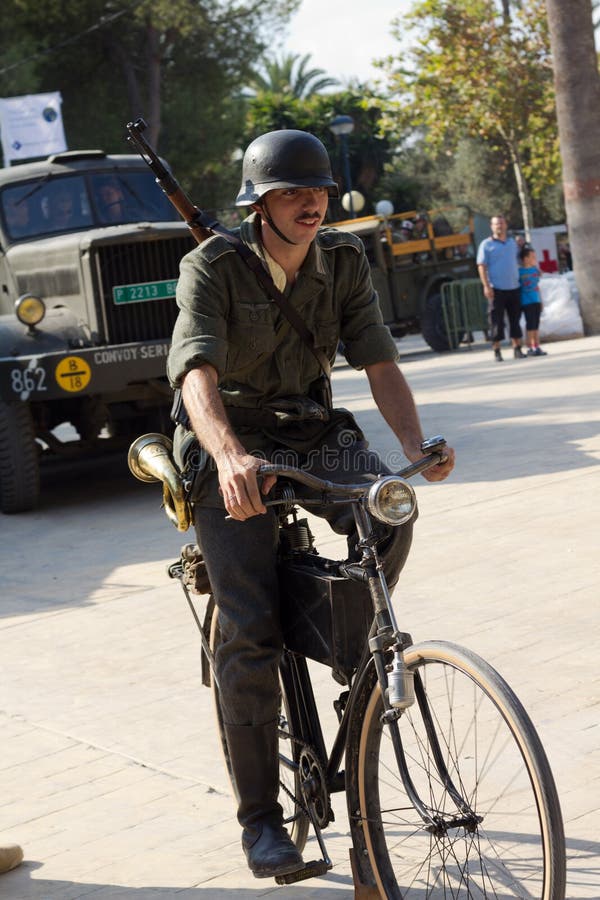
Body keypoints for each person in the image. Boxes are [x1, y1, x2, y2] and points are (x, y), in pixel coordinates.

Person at [166, 129, 455, 881]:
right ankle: (261, 821)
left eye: (319, 191)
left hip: (313, 432)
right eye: (293, 192)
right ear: (259, 203)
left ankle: (354, 663)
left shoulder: (344, 261)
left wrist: (416, 447)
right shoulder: (212, 267)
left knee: (392, 511)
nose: (310, 203)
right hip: (231, 445)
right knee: (251, 631)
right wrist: (228, 456)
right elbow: (195, 372)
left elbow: (378, 358)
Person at [477, 214, 527, 362]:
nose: (499, 226)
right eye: (496, 224)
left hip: (514, 286)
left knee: (515, 319)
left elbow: (520, 259)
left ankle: (517, 348)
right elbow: (481, 266)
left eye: (501, 223)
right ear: (491, 227)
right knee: (496, 320)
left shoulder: (512, 244)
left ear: (506, 225)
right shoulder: (486, 245)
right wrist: (486, 286)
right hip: (496, 288)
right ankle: (497, 351)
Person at [519, 244, 547, 356]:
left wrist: (541, 300)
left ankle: (537, 346)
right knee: (530, 324)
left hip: (536, 300)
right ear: (525, 259)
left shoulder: (535, 271)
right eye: (532, 257)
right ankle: (530, 347)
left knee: (536, 324)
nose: (535, 259)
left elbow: (537, 286)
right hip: (526, 302)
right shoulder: (519, 272)